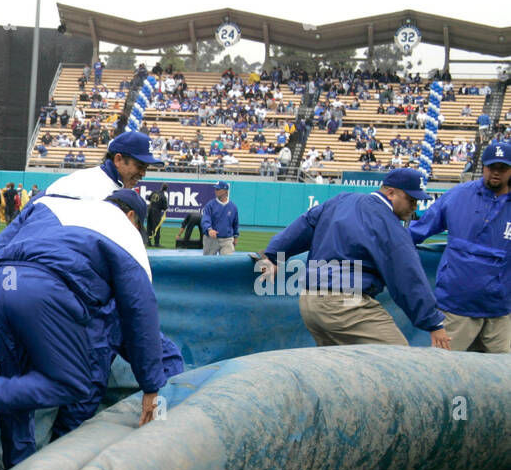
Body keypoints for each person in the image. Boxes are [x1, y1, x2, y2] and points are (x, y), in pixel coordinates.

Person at [0, 189, 167, 469]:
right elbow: (140, 314)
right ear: (132, 217)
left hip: (0, 283)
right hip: (44, 291)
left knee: (17, 389)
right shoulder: (127, 235)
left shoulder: (51, 203)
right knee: (73, 383)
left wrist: (13, 282)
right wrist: (151, 386)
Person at [259, 168, 451, 349]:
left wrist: (274, 255)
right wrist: (433, 323)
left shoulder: (342, 200)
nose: (414, 206)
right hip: (345, 307)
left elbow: (305, 224)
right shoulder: (390, 225)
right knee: (400, 361)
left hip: (309, 302)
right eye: (411, 199)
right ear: (391, 193)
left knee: (343, 372)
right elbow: (407, 277)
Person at [407, 141, 511, 353]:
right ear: (482, 167)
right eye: (492, 167)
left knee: (501, 378)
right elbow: (418, 231)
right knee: (445, 373)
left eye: (503, 168)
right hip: (456, 305)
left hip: (500, 310)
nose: (496, 173)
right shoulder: (458, 196)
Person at [44, 130, 163, 201]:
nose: (143, 173)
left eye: (146, 168)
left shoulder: (107, 183)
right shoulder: (94, 189)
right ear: (118, 160)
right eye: (140, 166)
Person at [201, 181, 239, 255]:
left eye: (218, 189)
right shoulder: (210, 205)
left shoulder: (233, 207)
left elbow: (235, 223)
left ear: (225, 191)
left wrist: (236, 237)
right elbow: (205, 219)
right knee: (208, 263)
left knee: (227, 263)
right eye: (215, 189)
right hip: (211, 239)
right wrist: (209, 229)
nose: (215, 191)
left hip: (227, 239)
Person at [146, 182, 169, 247]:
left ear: (161, 187)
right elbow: (165, 208)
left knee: (149, 226)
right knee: (156, 227)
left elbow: (149, 198)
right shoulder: (163, 197)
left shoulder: (154, 192)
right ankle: (156, 243)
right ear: (166, 189)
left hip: (150, 210)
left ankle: (148, 242)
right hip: (156, 212)